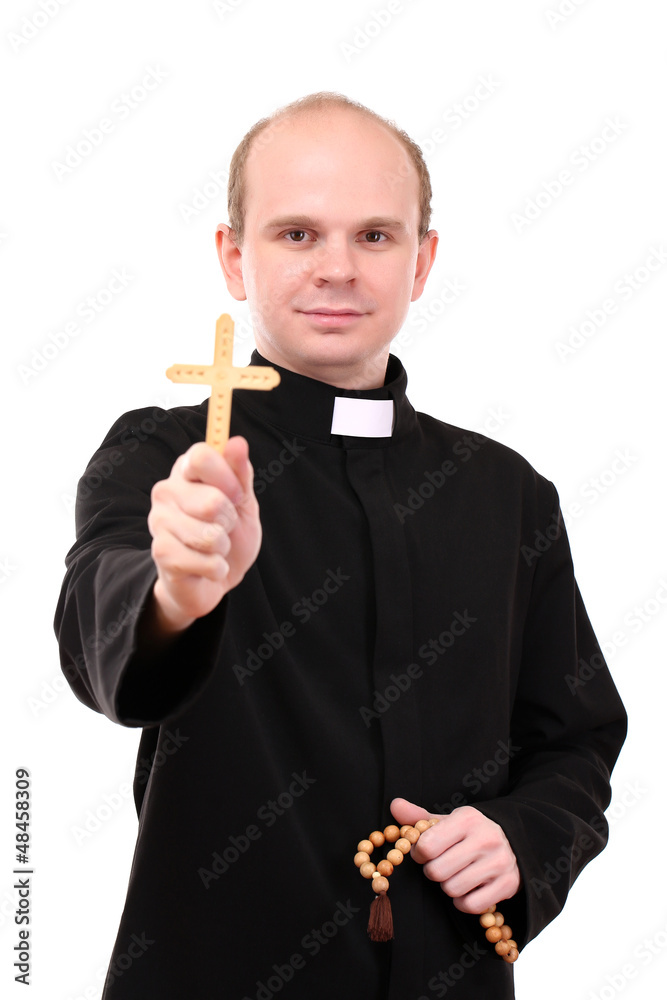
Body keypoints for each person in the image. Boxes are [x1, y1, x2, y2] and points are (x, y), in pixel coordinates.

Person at [55, 92, 627, 999]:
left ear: (422, 261)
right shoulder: (163, 454)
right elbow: (103, 626)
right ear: (232, 257)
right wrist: (177, 592)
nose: (336, 269)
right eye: (294, 234)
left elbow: (576, 741)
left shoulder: (507, 492)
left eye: (373, 236)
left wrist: (522, 837)